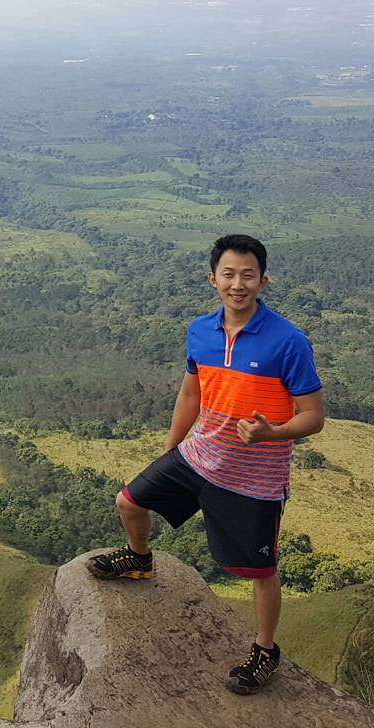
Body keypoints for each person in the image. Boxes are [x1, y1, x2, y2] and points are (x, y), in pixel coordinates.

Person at [87, 233, 325, 694]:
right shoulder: (200, 331)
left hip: (254, 478)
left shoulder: (288, 341)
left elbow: (313, 416)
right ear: (213, 278)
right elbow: (191, 393)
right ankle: (139, 559)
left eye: (248, 275)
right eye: (229, 274)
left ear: (263, 279)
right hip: (198, 456)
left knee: (260, 571)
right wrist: (171, 447)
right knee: (129, 501)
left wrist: (273, 432)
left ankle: (264, 651)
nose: (238, 284)